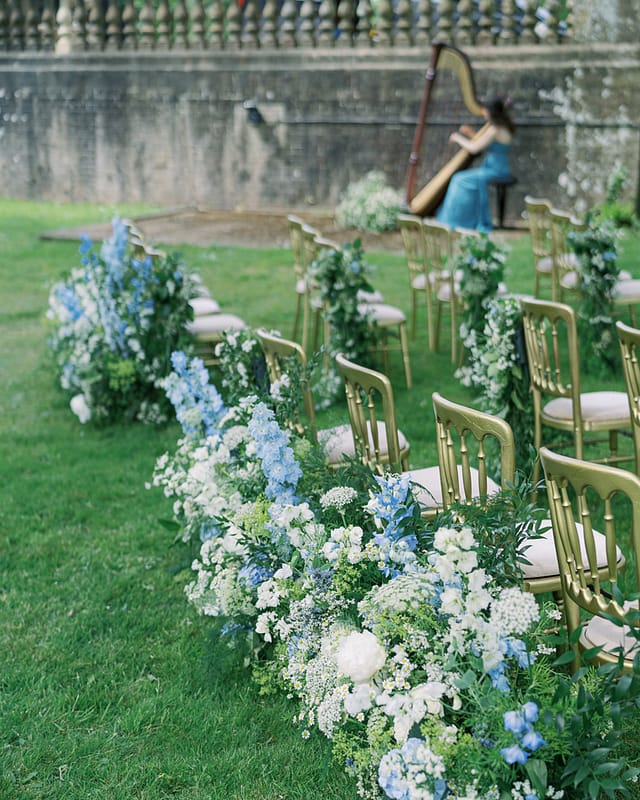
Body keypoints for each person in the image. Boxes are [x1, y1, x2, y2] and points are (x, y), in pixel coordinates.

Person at [435, 96, 515, 233]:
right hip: (499, 168)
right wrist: (470, 133)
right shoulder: (502, 127)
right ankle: (460, 219)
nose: (484, 113)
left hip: (495, 170)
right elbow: (483, 142)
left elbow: (475, 148)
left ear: (491, 112)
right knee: (461, 178)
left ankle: (457, 220)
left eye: (486, 110)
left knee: (459, 179)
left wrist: (458, 138)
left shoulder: (494, 129)